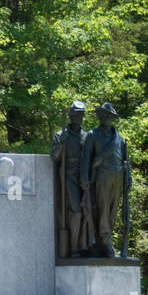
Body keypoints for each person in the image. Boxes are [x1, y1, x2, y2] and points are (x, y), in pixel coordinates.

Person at [82, 102, 130, 257]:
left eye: (109, 115)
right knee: (102, 208)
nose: (106, 118)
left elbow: (125, 161)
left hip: (118, 177)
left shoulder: (120, 139)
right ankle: (105, 240)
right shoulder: (92, 135)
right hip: (102, 176)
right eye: (104, 114)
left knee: (113, 210)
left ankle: (107, 238)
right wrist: (84, 178)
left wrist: (128, 179)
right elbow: (86, 160)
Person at [50, 101, 92, 257]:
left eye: (81, 114)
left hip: (85, 176)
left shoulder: (87, 136)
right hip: (68, 176)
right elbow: (54, 158)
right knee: (76, 211)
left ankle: (86, 245)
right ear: (70, 115)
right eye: (75, 114)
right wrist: (60, 146)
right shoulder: (61, 135)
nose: (78, 117)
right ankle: (74, 247)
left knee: (89, 212)